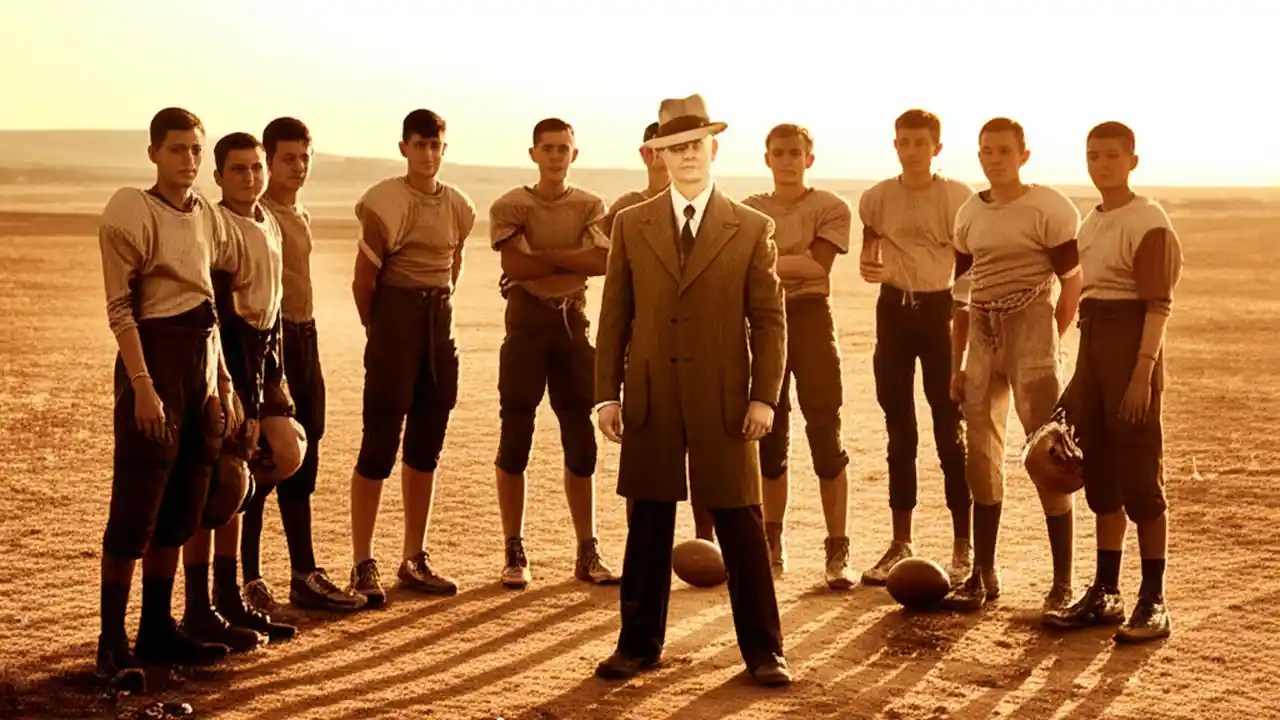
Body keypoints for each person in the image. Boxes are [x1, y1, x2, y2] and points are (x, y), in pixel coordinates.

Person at [593, 94, 792, 686]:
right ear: (658, 154)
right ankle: (637, 646)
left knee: (741, 521)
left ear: (714, 148)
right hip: (651, 393)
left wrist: (764, 396)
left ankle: (765, 652)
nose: (686, 156)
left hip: (725, 398)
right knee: (647, 523)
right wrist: (607, 394)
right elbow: (614, 316)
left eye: (695, 144)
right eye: (674, 147)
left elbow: (770, 320)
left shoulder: (751, 227)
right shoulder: (631, 224)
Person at [95, 107, 242, 684]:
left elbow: (211, 305)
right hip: (155, 361)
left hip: (201, 366)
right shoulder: (132, 209)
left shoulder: (206, 214)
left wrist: (223, 382)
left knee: (184, 500)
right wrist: (142, 385)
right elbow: (120, 307)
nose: (188, 160)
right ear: (154, 152)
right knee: (138, 501)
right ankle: (112, 643)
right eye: (177, 149)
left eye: (196, 150)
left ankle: (157, 628)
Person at [1037, 121, 1183, 643]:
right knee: (1100, 479)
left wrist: (1143, 373)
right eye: (1093, 156)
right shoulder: (1092, 222)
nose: (1101, 165)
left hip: (1132, 351)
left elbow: (1158, 305)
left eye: (1112, 156)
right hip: (1095, 347)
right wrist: (1081, 380)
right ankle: (1106, 592)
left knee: (1141, 480)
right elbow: (1088, 301)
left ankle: (1153, 600)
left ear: (1132, 161)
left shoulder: (1149, 220)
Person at [940, 117, 1083, 615]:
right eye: (986, 151)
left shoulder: (1049, 208)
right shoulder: (968, 214)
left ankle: (1063, 583)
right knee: (980, 455)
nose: (994, 159)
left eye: (1004, 150)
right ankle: (983, 574)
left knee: (1048, 452)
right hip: (982, 334)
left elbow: (1072, 282)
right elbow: (962, 294)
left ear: (1024, 155)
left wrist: (1050, 338)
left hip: (1032, 329)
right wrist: (959, 362)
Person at [178, 132, 305, 655]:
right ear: (218, 176)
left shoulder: (267, 220)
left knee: (276, 456)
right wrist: (238, 395)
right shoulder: (219, 226)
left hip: (263, 355)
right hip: (227, 358)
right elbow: (222, 315)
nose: (249, 177)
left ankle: (227, 596)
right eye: (238, 169)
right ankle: (200, 606)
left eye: (255, 168)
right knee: (217, 479)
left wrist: (275, 383)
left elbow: (272, 311)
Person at [346, 109, 475, 606]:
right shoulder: (384, 202)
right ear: (403, 147)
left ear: (445, 148)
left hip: (439, 328)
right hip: (394, 325)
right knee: (379, 444)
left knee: (426, 446)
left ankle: (414, 557)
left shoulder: (459, 206)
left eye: (435, 145)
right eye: (419, 144)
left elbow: (453, 268)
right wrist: (381, 333)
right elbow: (363, 282)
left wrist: (432, 319)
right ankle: (362, 562)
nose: (427, 154)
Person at [488, 118, 620, 589]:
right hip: (526, 324)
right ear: (533, 153)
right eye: (548, 148)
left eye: (563, 148)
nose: (556, 156)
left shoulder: (590, 205)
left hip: (572, 325)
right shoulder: (510, 205)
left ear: (574, 154)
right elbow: (514, 263)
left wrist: (541, 259)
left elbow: (599, 262)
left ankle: (587, 549)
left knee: (580, 442)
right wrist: (566, 258)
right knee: (516, 437)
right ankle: (513, 548)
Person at [243, 117, 367, 614]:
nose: (298, 167)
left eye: (304, 157)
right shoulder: (260, 217)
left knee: (307, 452)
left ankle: (303, 573)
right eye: (287, 158)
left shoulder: (300, 213)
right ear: (269, 162)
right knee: (265, 459)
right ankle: (249, 579)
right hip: (273, 341)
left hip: (306, 336)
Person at [857, 109, 975, 587]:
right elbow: (869, 250)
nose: (911, 151)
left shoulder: (957, 197)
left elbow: (969, 265)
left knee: (949, 429)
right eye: (904, 142)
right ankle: (900, 542)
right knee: (899, 430)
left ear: (936, 148)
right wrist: (870, 265)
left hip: (940, 311)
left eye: (920, 143)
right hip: (893, 311)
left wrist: (961, 314)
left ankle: (963, 545)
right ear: (895, 145)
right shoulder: (876, 198)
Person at [741, 123, 854, 589]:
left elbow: (816, 267)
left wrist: (769, 262)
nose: (787, 160)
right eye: (779, 153)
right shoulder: (749, 209)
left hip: (811, 320)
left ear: (809, 158)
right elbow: (745, 269)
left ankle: (837, 548)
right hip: (765, 322)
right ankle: (772, 541)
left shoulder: (830, 206)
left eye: (795, 153)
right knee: (769, 432)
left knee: (825, 431)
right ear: (766, 158)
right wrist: (790, 262)